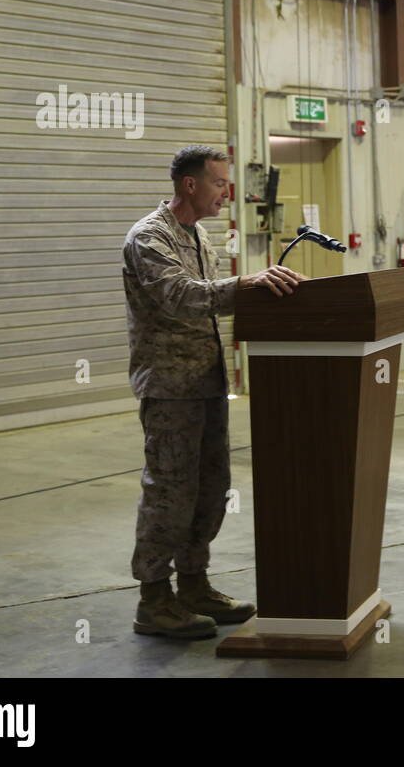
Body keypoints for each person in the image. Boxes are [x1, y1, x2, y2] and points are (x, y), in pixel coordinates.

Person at [123, 144, 303, 638]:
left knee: (209, 489)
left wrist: (254, 290)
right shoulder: (148, 237)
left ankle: (194, 585)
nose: (227, 192)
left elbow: (210, 296)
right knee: (169, 492)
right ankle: (154, 600)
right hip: (169, 386)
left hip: (205, 382)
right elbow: (181, 296)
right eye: (219, 183)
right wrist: (248, 284)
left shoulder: (198, 235)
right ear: (190, 185)